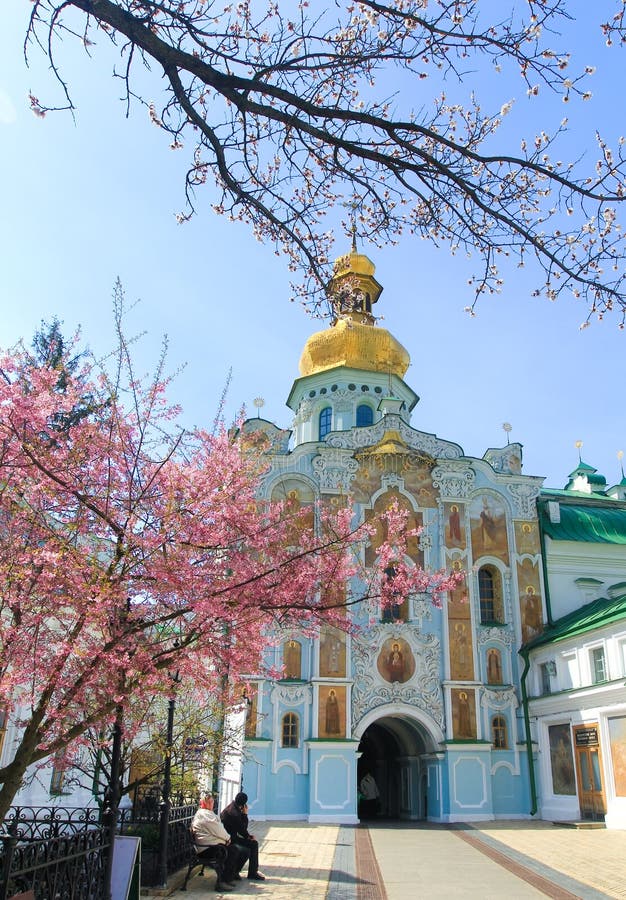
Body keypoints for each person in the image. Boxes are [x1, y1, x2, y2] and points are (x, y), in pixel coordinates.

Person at [191, 794, 247, 892]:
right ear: (203, 803)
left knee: (235, 849)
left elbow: (218, 829)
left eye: (212, 802)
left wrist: (226, 839)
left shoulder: (207, 813)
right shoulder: (205, 815)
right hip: (206, 849)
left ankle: (228, 877)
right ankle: (222, 882)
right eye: (209, 802)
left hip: (210, 846)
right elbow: (218, 830)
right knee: (233, 850)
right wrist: (227, 839)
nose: (211, 804)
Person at [220, 792, 265, 881]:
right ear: (244, 803)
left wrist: (248, 836)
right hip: (230, 839)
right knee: (253, 844)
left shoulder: (231, 807)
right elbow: (242, 828)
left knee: (250, 844)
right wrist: (245, 814)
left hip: (228, 836)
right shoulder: (235, 813)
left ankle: (237, 871)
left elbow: (241, 829)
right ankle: (252, 872)